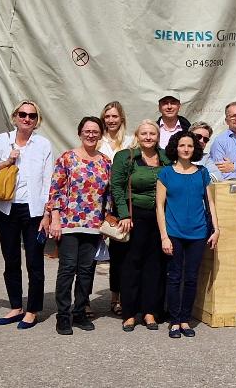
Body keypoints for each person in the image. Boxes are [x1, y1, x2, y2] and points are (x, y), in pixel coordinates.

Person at [0, 100, 53, 330]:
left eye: (32, 116)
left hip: (34, 211)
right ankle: (16, 306)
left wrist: (47, 214)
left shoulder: (43, 145)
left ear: (37, 120)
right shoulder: (3, 140)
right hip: (6, 208)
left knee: (34, 261)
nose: (27, 119)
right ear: (15, 117)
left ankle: (32, 310)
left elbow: (48, 182)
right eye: (22, 114)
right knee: (10, 259)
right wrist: (5, 162)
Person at [47, 116, 113, 335]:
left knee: (86, 271)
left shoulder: (105, 161)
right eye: (87, 131)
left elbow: (108, 195)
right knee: (67, 269)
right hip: (69, 223)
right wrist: (55, 218)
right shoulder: (67, 158)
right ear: (80, 133)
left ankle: (80, 312)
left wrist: (107, 221)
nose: (91, 135)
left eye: (95, 132)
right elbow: (55, 189)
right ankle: (63, 315)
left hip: (94, 224)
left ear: (100, 134)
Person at [156, 131, 220, 338]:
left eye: (190, 146)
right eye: (182, 145)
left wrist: (216, 229)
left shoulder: (202, 173)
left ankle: (185, 319)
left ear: (195, 149)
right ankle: (174, 321)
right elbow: (159, 206)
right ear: (175, 148)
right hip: (174, 232)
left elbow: (210, 203)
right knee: (174, 277)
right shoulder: (166, 173)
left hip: (198, 233)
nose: (186, 149)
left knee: (192, 278)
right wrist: (164, 236)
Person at [109, 121, 168, 331]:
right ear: (137, 135)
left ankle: (150, 311)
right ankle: (130, 313)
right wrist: (123, 214)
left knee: (155, 265)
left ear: (158, 136)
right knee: (131, 265)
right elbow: (116, 186)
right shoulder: (125, 156)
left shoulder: (165, 157)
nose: (148, 137)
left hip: (159, 217)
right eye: (144, 133)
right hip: (134, 218)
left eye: (152, 133)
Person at [97, 101, 134, 315]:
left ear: (121, 119)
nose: (111, 120)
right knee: (92, 250)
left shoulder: (130, 142)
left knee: (120, 251)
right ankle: (85, 302)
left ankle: (117, 297)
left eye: (114, 116)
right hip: (98, 201)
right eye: (107, 116)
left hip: (121, 202)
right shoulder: (97, 140)